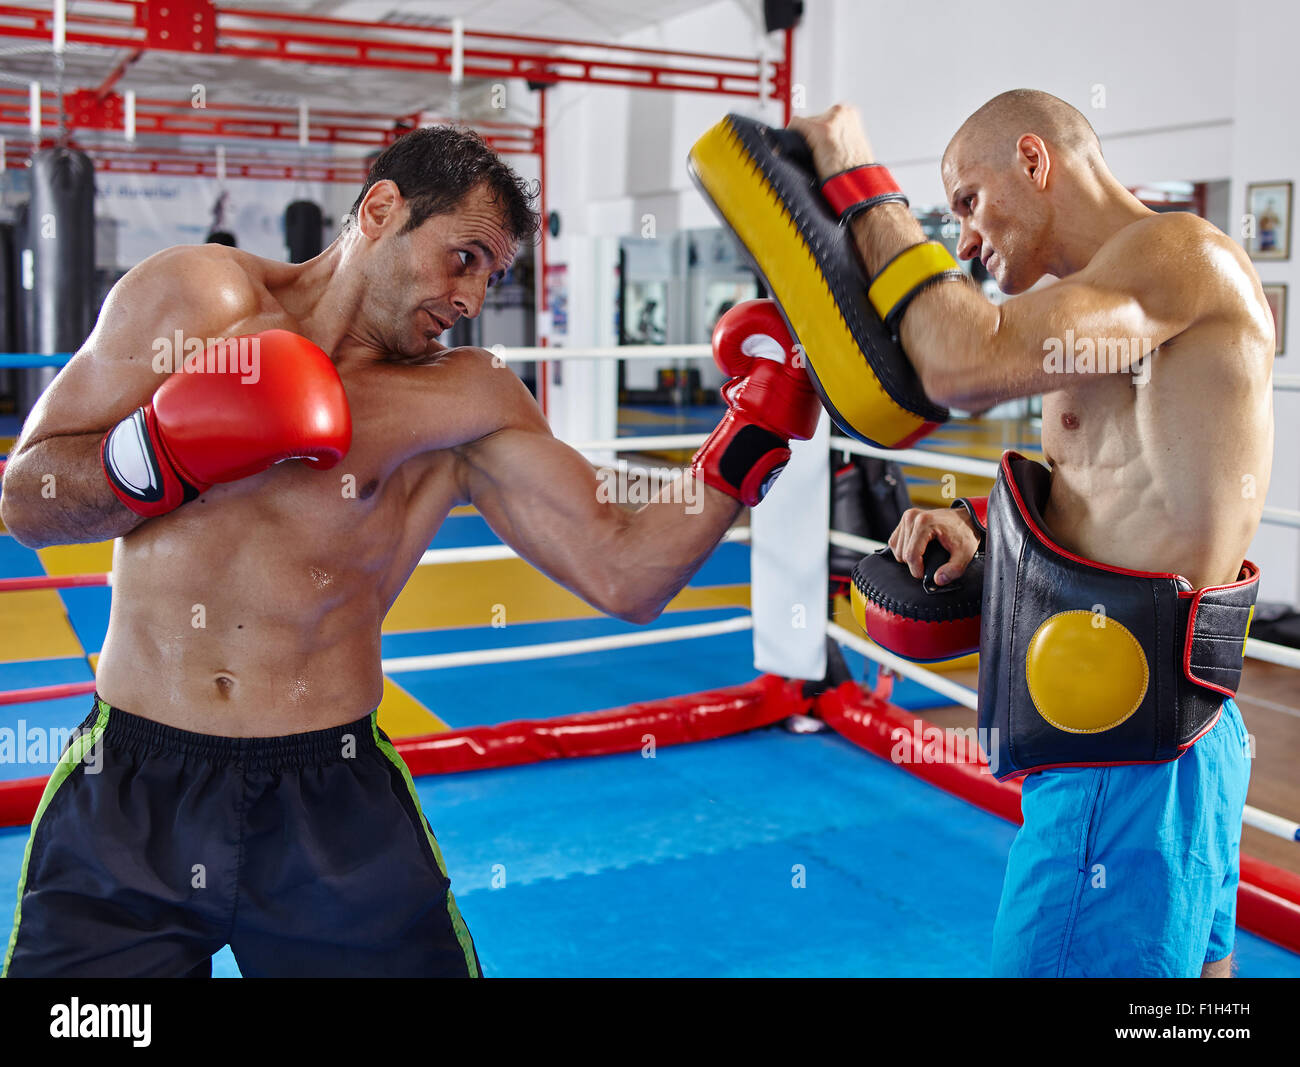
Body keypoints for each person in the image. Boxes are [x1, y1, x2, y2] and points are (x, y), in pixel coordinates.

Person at [0, 126, 819, 977]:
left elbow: (627, 573)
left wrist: (749, 437)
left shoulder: (465, 404)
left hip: (330, 800)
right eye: (463, 257)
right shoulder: (194, 298)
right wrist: (159, 453)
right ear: (382, 210)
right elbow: (28, 499)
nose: (471, 297)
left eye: (492, 277)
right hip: (132, 787)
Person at [790, 90, 1274, 978]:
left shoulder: (1175, 256)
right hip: (1173, 745)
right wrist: (983, 526)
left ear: (1035, 161)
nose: (965, 241)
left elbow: (960, 363)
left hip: (1128, 761)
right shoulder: (1115, 301)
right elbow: (1117, 492)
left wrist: (861, 182)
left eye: (967, 204)